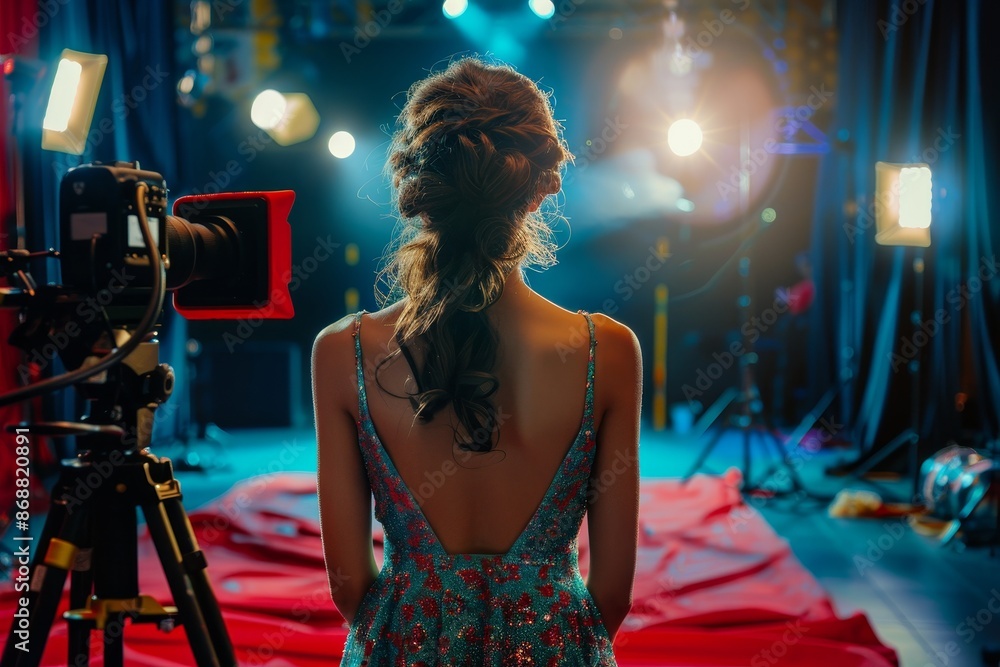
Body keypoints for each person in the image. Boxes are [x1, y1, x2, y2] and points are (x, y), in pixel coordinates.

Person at [312, 57, 641, 666]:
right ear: (544, 185)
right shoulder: (608, 350)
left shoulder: (342, 351)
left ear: (418, 189)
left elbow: (348, 586)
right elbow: (614, 594)